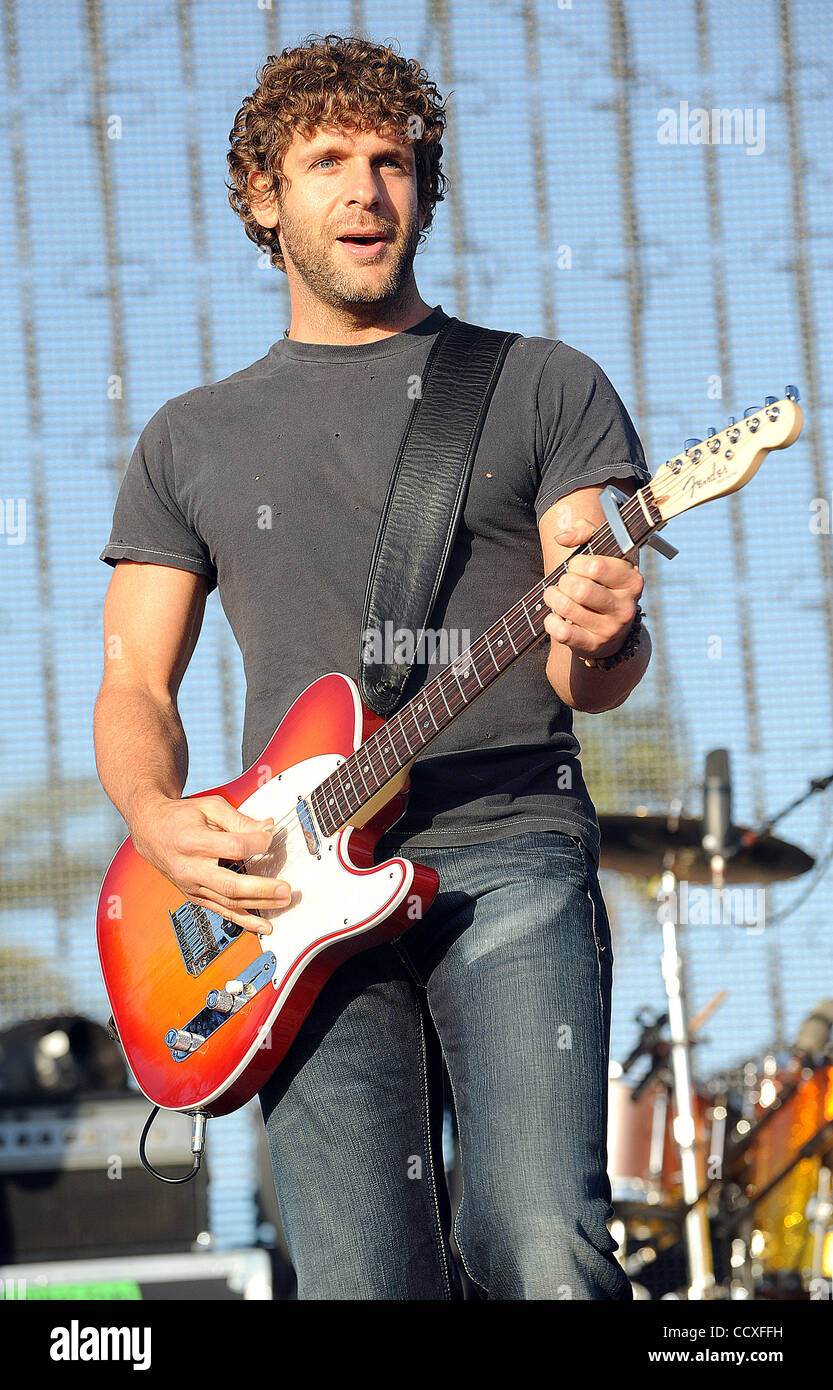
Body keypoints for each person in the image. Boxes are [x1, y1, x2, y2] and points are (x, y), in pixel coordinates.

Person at [94, 34, 651, 1300]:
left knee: (539, 1249)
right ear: (260, 193)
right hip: (285, 895)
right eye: (327, 160)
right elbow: (134, 683)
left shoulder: (537, 385)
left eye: (392, 161)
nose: (365, 190)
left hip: (505, 840)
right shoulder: (188, 438)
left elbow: (588, 670)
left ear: (425, 189)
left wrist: (605, 631)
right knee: (358, 1284)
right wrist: (154, 820)